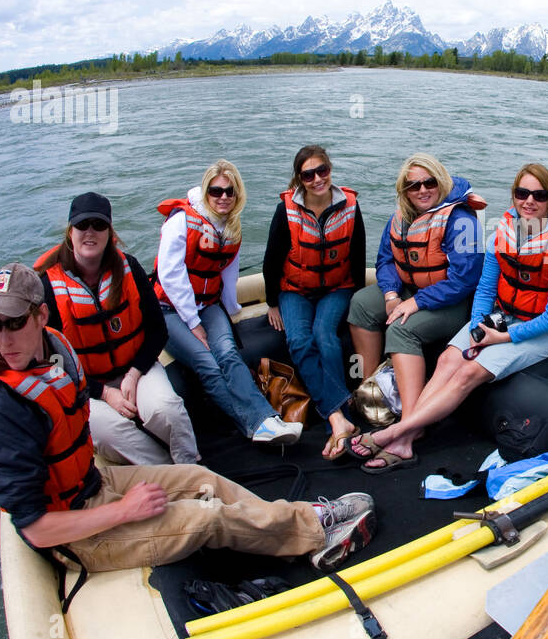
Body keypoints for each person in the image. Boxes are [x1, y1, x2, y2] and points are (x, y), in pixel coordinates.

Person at [0, 262, 378, 586]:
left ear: (40, 317)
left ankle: (299, 519)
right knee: (206, 518)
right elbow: (35, 527)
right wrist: (123, 511)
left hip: (94, 483)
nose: (4, 337)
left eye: (15, 323)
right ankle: (314, 533)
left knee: (199, 476)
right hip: (77, 532)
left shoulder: (53, 347)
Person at [350, 163, 548, 473]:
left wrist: (502, 338)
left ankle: (394, 434)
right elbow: (484, 288)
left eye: (539, 195)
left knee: (467, 374)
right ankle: (407, 438)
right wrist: (479, 325)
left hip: (539, 332)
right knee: (446, 362)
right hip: (500, 317)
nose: (529, 201)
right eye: (522, 193)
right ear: (514, 196)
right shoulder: (503, 235)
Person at [36, 192, 200, 466]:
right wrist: (103, 392)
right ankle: (166, 472)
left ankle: (190, 465)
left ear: (109, 231)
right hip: (87, 386)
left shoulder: (129, 268)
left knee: (167, 410)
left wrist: (134, 375)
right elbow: (53, 363)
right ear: (70, 231)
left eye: (99, 225)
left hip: (137, 367)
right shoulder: (48, 288)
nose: (90, 232)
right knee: (107, 432)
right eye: (82, 225)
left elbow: (158, 330)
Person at [341, 153, 484, 456]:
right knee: (361, 306)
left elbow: (466, 279)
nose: (422, 190)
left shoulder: (462, 221)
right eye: (413, 186)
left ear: (441, 181)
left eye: (429, 182)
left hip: (452, 302)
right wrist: (392, 295)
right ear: (404, 191)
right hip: (410, 289)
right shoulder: (402, 216)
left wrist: (416, 303)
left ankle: (409, 424)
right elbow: (385, 260)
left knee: (402, 330)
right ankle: (370, 389)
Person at [155, 160, 301, 446]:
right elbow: (171, 277)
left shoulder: (230, 227)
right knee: (207, 364)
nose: (223, 197)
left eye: (229, 192)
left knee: (228, 354)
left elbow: (228, 272)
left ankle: (265, 421)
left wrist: (233, 309)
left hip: (208, 306)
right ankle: (255, 423)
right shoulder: (181, 221)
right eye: (216, 191)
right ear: (206, 191)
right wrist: (194, 324)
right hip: (169, 310)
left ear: (237, 195)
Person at [263, 145, 366, 459]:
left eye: (322, 170)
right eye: (308, 174)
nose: (317, 179)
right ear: (299, 178)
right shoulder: (287, 210)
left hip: (337, 288)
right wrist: (271, 303)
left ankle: (337, 424)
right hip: (294, 290)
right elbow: (272, 259)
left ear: (330, 170)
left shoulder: (349, 205)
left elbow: (358, 256)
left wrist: (357, 302)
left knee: (326, 337)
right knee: (299, 340)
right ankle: (339, 418)